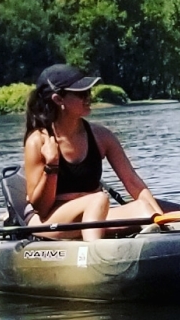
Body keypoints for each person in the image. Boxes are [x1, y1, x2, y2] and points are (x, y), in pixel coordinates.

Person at [23, 64, 162, 240]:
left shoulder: (102, 136)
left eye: (89, 91)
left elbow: (133, 182)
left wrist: (162, 219)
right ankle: (94, 250)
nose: (89, 97)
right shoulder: (37, 141)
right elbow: (41, 208)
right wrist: (51, 165)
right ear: (58, 99)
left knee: (143, 208)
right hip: (50, 222)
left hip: (95, 215)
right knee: (98, 198)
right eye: (81, 94)